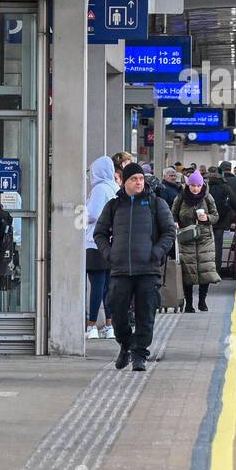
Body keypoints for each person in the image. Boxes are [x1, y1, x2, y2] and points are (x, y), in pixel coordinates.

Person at [94, 162, 176, 372]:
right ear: (124, 182)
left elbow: (169, 232)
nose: (139, 182)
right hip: (121, 269)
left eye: (140, 178)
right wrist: (108, 253)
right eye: (134, 179)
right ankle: (125, 344)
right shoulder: (114, 205)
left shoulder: (156, 204)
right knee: (118, 312)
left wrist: (156, 253)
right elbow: (100, 233)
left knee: (145, 314)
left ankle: (140, 354)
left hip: (148, 270)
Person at [171, 171, 221, 312]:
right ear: (188, 185)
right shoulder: (181, 198)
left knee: (205, 271)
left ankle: (202, 302)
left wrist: (208, 218)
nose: (195, 188)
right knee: (188, 272)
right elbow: (173, 213)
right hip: (186, 238)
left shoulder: (207, 198)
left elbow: (216, 216)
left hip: (204, 238)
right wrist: (175, 222)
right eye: (193, 185)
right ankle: (189, 304)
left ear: (202, 185)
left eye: (198, 185)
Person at [84, 155, 117, 339]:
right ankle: (109, 326)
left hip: (94, 242)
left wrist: (80, 211)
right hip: (110, 243)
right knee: (107, 287)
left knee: (96, 286)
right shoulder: (114, 187)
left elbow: (93, 214)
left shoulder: (99, 189)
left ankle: (92, 326)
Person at [205, 163, 236, 271]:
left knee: (206, 244)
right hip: (222, 219)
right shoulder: (225, 186)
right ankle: (217, 269)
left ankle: (207, 268)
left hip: (207, 219)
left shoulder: (205, 187)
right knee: (218, 245)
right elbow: (234, 202)